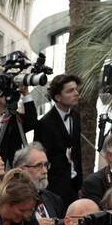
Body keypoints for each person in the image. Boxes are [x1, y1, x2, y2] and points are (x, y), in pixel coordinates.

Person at [38, 73, 83, 205]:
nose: (76, 93)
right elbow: (42, 158)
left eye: (76, 89)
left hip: (74, 187)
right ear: (58, 97)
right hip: (54, 189)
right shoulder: (45, 123)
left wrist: (80, 184)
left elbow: (77, 151)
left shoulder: (75, 116)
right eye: (70, 91)